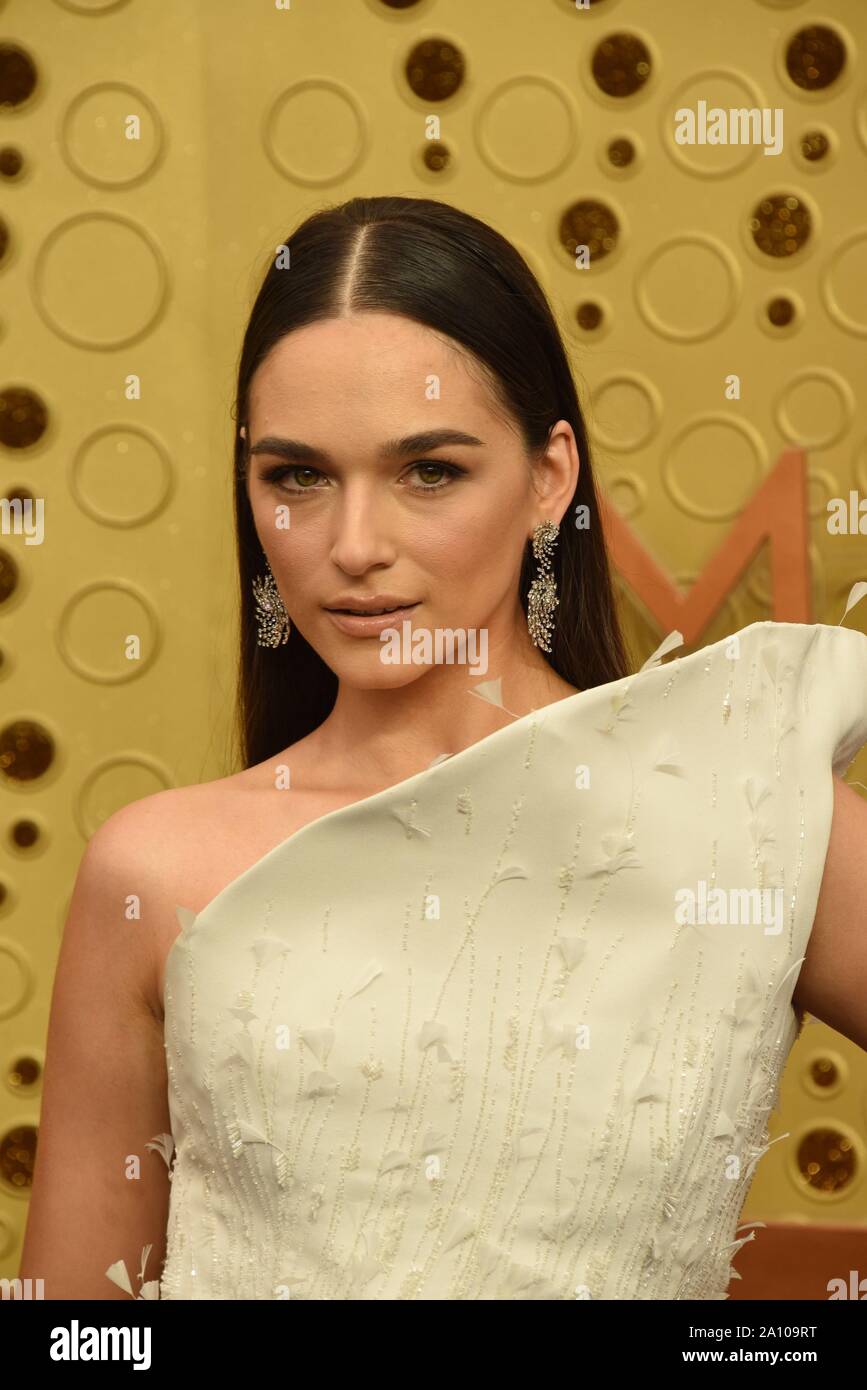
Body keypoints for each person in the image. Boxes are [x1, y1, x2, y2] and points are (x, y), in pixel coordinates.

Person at [19, 196, 867, 1301]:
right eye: (297, 476)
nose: (352, 546)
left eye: (429, 472)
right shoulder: (153, 867)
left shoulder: (745, 813)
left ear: (549, 477)